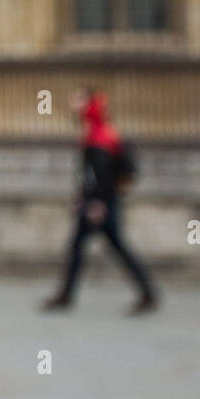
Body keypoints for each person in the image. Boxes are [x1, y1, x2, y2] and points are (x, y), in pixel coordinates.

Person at [43, 89, 158, 316]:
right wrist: (83, 196)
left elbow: (100, 175)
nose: (72, 104)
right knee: (87, 247)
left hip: (101, 204)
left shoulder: (98, 135)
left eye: (78, 100)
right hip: (99, 201)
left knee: (104, 247)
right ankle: (146, 292)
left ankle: (147, 292)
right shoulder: (99, 132)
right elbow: (91, 174)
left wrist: (96, 203)